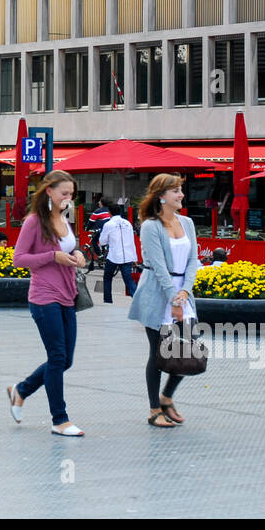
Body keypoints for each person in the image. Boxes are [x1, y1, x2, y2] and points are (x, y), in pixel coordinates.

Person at [6, 169, 87, 437]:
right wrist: (53, 257)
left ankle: (21, 390)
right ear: (49, 192)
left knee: (65, 360)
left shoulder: (65, 219)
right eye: (64, 193)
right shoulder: (34, 222)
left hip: (67, 294)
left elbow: (69, 248)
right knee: (57, 357)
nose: (68, 199)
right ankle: (59, 419)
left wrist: (77, 253)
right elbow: (19, 259)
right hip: (43, 296)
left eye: (72, 195)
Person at [129, 173, 201, 429]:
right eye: (176, 191)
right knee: (159, 353)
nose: (181, 195)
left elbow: (193, 260)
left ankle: (167, 396)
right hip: (158, 294)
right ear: (161, 196)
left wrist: (185, 292)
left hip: (183, 293)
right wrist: (173, 298)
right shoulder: (151, 226)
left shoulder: (187, 223)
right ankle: (153, 409)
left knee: (190, 347)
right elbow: (158, 267)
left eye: (181, 190)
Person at [98, 198, 139, 304]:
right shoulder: (128, 224)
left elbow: (102, 241)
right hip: (128, 256)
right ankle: (138, 300)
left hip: (114, 256)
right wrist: (135, 258)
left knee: (107, 277)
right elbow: (132, 241)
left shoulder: (108, 224)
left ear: (109, 213)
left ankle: (108, 300)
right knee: (128, 279)